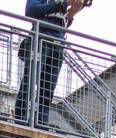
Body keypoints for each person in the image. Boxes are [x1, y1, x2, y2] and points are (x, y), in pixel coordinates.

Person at [13, 0, 87, 129]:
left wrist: (70, 14)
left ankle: (41, 125)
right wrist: (62, 4)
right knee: (29, 83)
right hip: (40, 38)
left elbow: (60, 25)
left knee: (47, 91)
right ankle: (21, 122)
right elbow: (30, 11)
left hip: (58, 43)